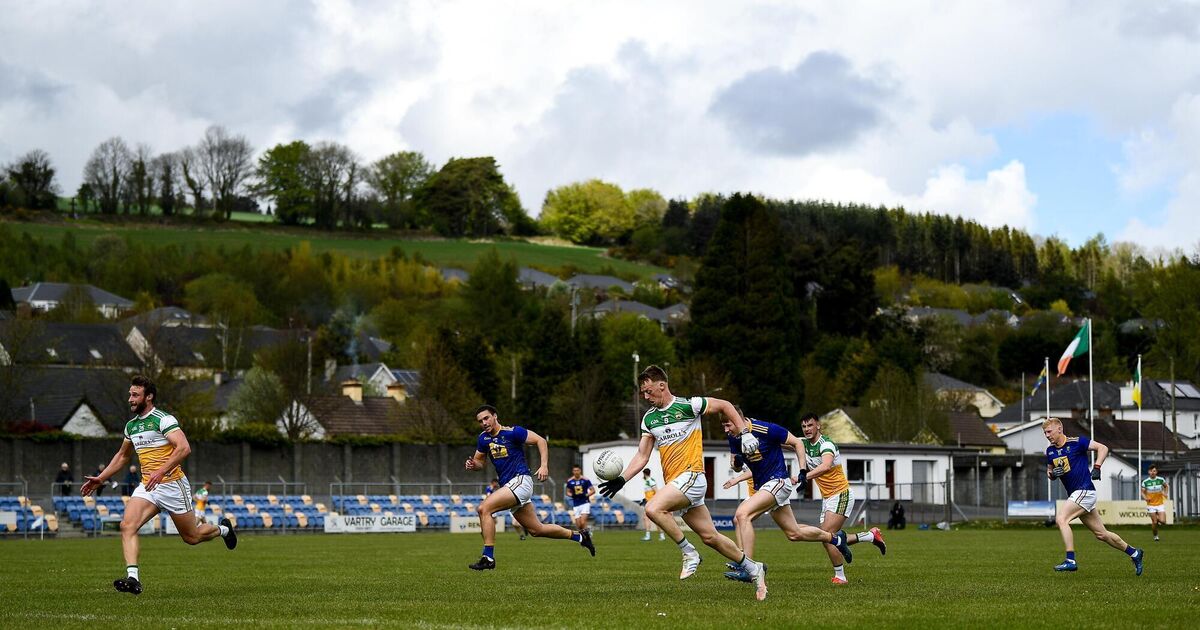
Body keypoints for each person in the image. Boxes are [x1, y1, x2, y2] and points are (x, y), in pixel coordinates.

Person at [597, 365, 769, 600]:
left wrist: (744, 432)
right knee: (711, 537)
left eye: (649, 391)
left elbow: (726, 405)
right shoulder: (649, 419)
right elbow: (642, 456)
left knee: (653, 508)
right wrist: (621, 479)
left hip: (693, 476)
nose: (646, 397)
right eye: (643, 394)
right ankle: (753, 567)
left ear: (662, 385)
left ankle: (689, 552)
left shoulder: (689, 405)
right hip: (679, 484)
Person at [80, 375, 237, 595]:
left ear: (149, 397)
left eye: (135, 395)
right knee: (127, 526)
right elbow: (123, 456)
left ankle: (223, 529)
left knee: (191, 537)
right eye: (130, 395)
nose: (130, 399)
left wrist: (160, 471)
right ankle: (133, 579)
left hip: (173, 485)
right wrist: (102, 477)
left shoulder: (163, 419)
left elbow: (183, 448)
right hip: (148, 486)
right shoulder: (131, 427)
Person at [718, 412, 856, 583]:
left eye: (728, 425)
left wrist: (803, 472)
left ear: (738, 420)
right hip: (765, 486)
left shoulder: (766, 428)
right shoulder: (734, 436)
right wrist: (737, 464)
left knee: (741, 515)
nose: (725, 430)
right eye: (723, 426)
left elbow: (797, 443)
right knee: (794, 533)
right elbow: (736, 465)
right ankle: (835, 538)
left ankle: (748, 567)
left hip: (778, 481)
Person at [464, 405, 594, 570]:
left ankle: (488, 557)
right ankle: (581, 537)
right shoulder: (483, 439)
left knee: (484, 508)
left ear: (495, 416)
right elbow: (479, 463)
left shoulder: (513, 432)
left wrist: (544, 465)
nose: (484, 422)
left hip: (521, 481)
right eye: (480, 421)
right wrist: (472, 464)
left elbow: (541, 440)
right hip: (510, 487)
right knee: (536, 530)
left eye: (486, 418)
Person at [1043, 417, 1143, 575]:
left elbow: (1103, 448)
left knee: (1061, 519)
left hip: (1084, 491)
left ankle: (1070, 560)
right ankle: (1134, 553)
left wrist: (1097, 467)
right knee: (1101, 534)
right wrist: (1052, 474)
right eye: (1045, 433)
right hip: (1078, 495)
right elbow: (1049, 471)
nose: (1047, 435)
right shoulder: (1050, 451)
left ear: (1059, 429)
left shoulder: (1076, 442)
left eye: (1049, 431)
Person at [797, 413, 886, 584]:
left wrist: (803, 476)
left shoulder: (826, 444)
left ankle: (840, 577)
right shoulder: (803, 444)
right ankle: (870, 536)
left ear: (818, 426)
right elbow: (783, 440)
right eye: (804, 426)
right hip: (827, 498)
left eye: (810, 425)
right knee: (828, 538)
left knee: (827, 535)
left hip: (841, 494)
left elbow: (826, 465)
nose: (807, 429)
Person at [1141, 464, 1169, 542]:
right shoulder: (1145, 482)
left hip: (1160, 504)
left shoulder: (1161, 480)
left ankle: (1157, 519)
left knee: (1163, 522)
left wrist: (1165, 493)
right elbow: (1142, 492)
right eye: (1151, 471)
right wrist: (1145, 498)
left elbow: (1166, 486)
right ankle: (1155, 536)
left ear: (1156, 472)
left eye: (1154, 471)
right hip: (1151, 505)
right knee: (1154, 522)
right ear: (1148, 472)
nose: (1152, 472)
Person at [565, 465, 595, 533]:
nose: (576, 472)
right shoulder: (570, 481)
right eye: (575, 471)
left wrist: (585, 495)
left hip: (585, 502)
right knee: (579, 525)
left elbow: (593, 490)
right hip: (576, 504)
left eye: (577, 470)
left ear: (580, 471)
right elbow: (567, 492)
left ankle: (587, 536)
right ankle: (587, 531)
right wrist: (573, 495)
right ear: (573, 471)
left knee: (583, 521)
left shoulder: (585, 480)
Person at [640, 469, 664, 541]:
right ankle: (661, 535)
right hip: (649, 502)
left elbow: (657, 491)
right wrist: (644, 499)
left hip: (651, 503)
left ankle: (649, 536)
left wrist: (654, 501)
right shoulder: (648, 481)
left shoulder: (650, 481)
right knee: (647, 518)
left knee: (649, 518)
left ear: (644, 474)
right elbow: (650, 493)